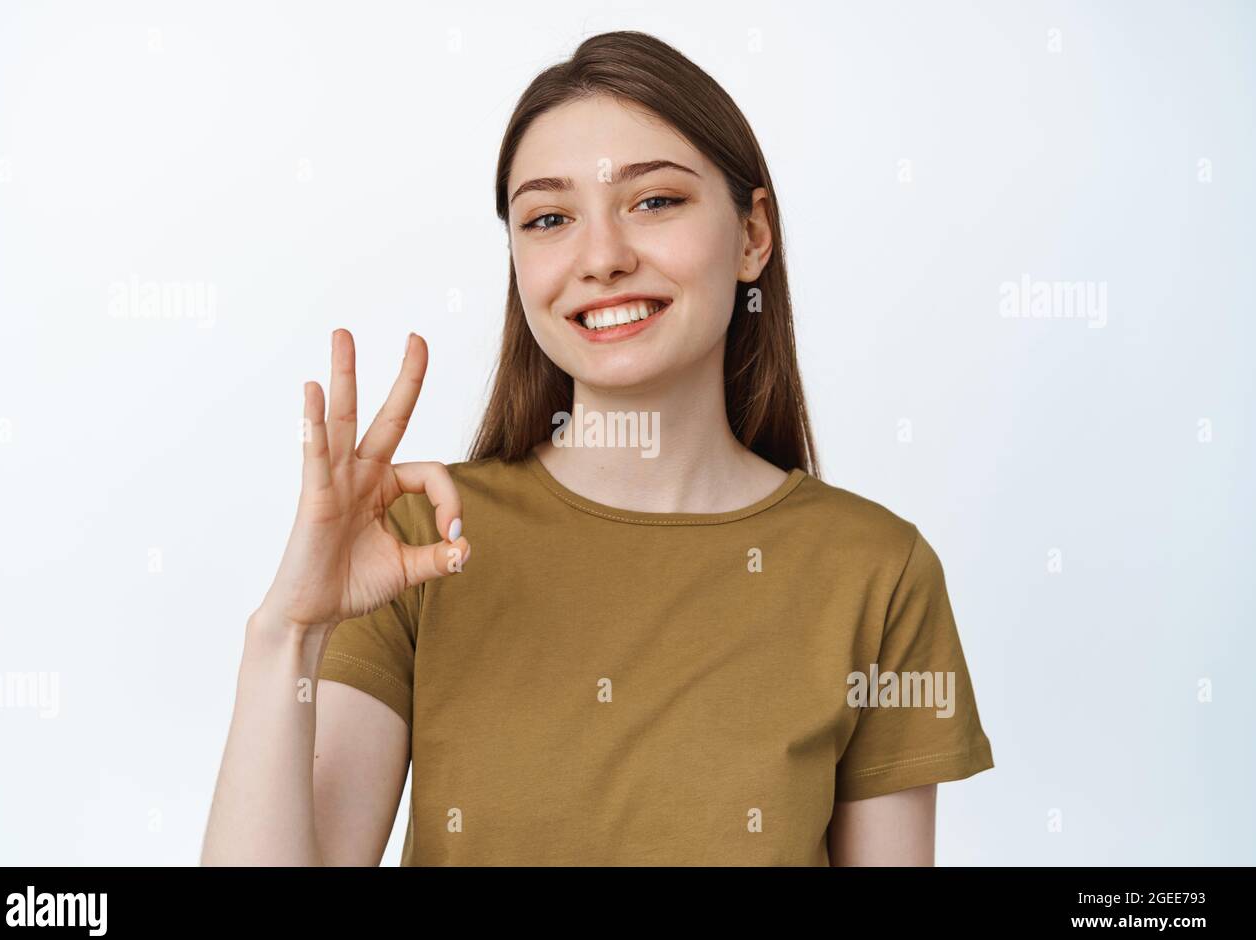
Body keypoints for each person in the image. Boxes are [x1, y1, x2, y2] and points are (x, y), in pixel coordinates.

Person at [201, 30, 994, 867]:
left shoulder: (878, 571)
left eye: (654, 202)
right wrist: (287, 631)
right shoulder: (424, 538)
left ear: (753, 235)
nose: (604, 258)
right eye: (549, 218)